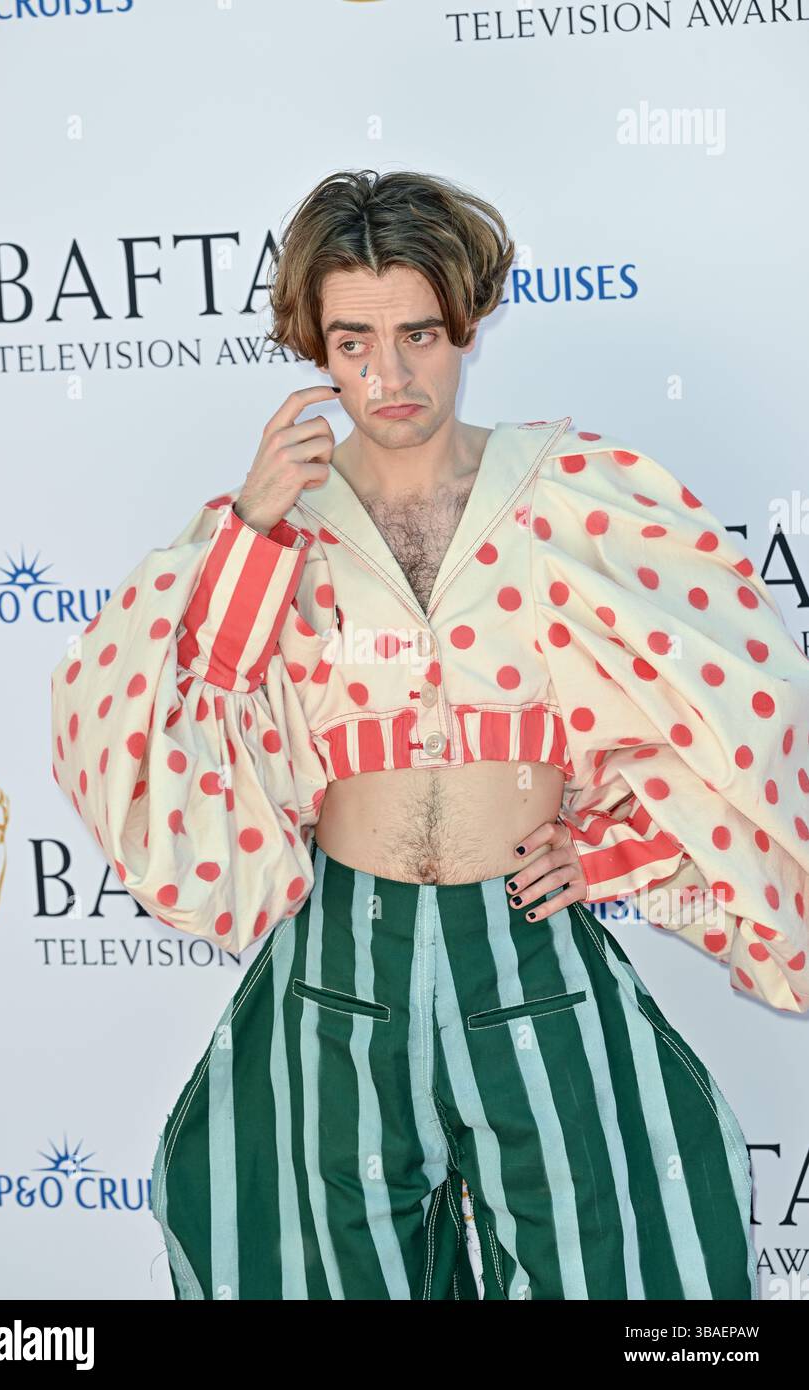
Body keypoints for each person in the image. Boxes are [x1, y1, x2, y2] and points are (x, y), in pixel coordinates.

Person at [50, 169, 809, 1301]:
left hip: (530, 952)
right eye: (353, 342)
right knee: (311, 1259)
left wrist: (615, 849)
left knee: (617, 1254)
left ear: (465, 324)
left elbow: (743, 711)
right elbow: (167, 723)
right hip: (339, 962)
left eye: (417, 336)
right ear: (315, 341)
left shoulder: (569, 494)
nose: (388, 374)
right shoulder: (269, 524)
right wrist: (252, 530)